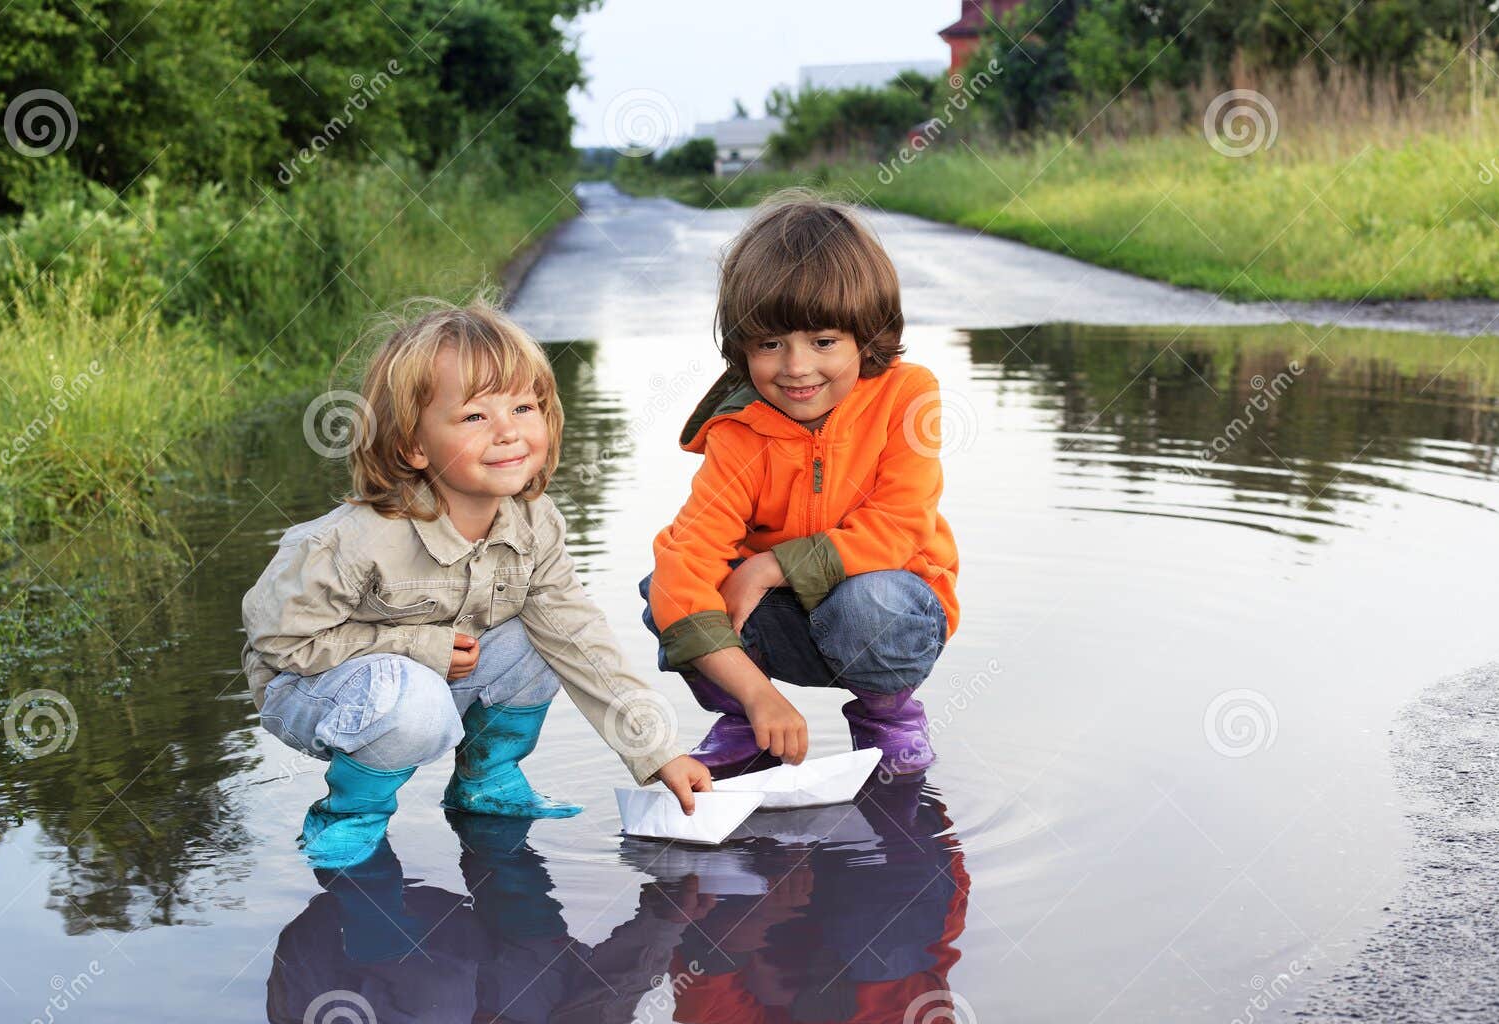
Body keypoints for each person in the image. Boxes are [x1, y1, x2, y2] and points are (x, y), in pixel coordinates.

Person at [241, 299, 711, 868]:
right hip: (309, 689)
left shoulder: (535, 524)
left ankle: (486, 781)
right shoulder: (351, 543)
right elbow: (280, 645)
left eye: (523, 406)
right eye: (474, 417)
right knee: (412, 699)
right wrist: (418, 648)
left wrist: (656, 751)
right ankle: (350, 812)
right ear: (414, 444)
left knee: (549, 636)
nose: (508, 432)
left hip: (426, 678)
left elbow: (580, 639)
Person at [640, 189, 960, 776]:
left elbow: (898, 527)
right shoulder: (738, 432)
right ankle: (747, 717)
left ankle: (887, 715)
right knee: (665, 589)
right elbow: (686, 565)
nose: (795, 368)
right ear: (741, 349)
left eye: (823, 341)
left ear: (867, 336)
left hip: (883, 610)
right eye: (770, 344)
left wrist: (768, 566)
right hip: (781, 621)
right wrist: (758, 693)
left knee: (873, 601)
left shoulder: (908, 396)